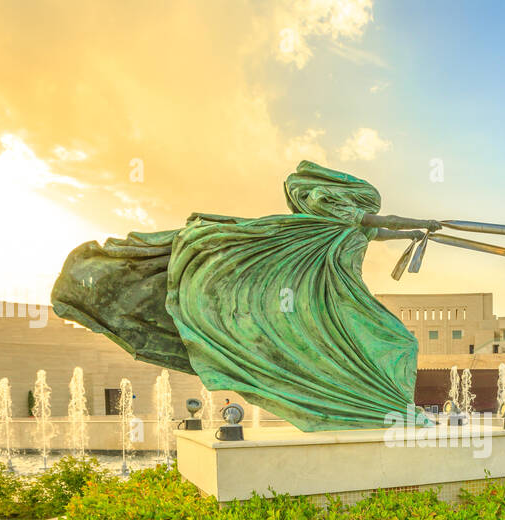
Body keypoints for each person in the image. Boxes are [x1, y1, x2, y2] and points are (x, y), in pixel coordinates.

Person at [52, 161, 435, 431]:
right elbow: (379, 223)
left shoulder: (353, 223)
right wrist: (421, 224)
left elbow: (381, 229)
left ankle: (388, 409)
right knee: (398, 341)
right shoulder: (336, 214)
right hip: (329, 305)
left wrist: (416, 232)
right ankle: (386, 409)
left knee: (398, 342)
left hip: (338, 302)